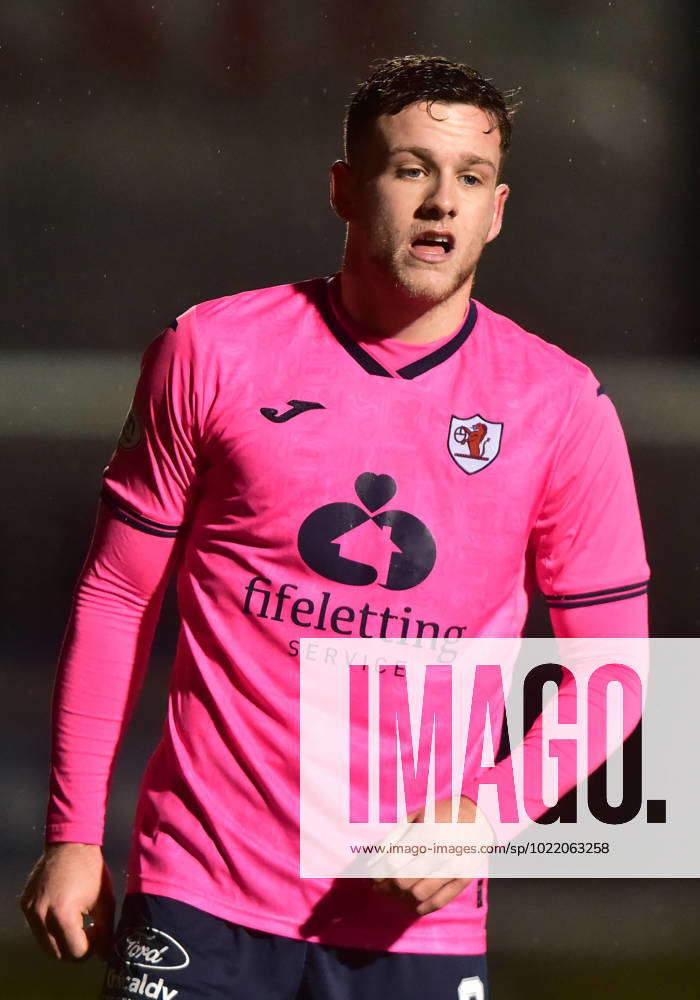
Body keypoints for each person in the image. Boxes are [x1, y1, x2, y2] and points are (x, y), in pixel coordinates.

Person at [21, 54, 649, 1000]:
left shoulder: (560, 407)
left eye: (469, 178)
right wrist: (73, 833)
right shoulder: (214, 352)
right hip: (202, 890)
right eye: (411, 170)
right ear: (345, 191)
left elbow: (616, 671)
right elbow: (117, 596)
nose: (442, 202)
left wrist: (485, 814)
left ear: (499, 209)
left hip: (413, 919)